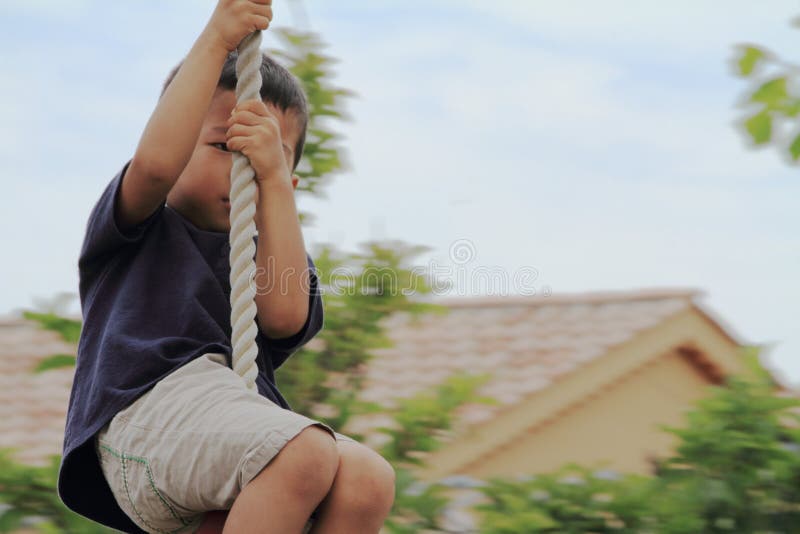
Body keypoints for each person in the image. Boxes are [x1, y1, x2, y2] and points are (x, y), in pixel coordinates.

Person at [56, 1, 396, 532]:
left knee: (368, 479)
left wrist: (274, 183)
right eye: (222, 145)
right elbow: (156, 165)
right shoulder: (139, 221)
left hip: (231, 426)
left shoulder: (269, 252)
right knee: (303, 452)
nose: (244, 166)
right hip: (145, 420)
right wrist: (218, 38)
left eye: (266, 157)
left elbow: (283, 315)